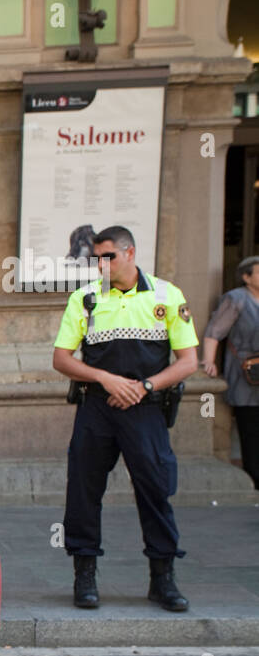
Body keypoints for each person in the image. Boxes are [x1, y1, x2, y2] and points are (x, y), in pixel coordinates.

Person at [52, 225, 198, 612]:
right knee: (83, 491)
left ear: (129, 253)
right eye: (96, 258)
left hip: (146, 408)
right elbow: (62, 358)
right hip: (96, 407)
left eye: (108, 257)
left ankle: (162, 578)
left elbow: (188, 361)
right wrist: (107, 379)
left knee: (155, 490)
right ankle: (85, 576)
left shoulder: (167, 295)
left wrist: (145, 387)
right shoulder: (84, 298)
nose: (101, 264)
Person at [202, 256, 259, 489]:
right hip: (247, 371)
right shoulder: (236, 299)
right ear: (246, 277)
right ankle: (254, 476)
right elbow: (214, 332)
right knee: (251, 426)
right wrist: (208, 361)